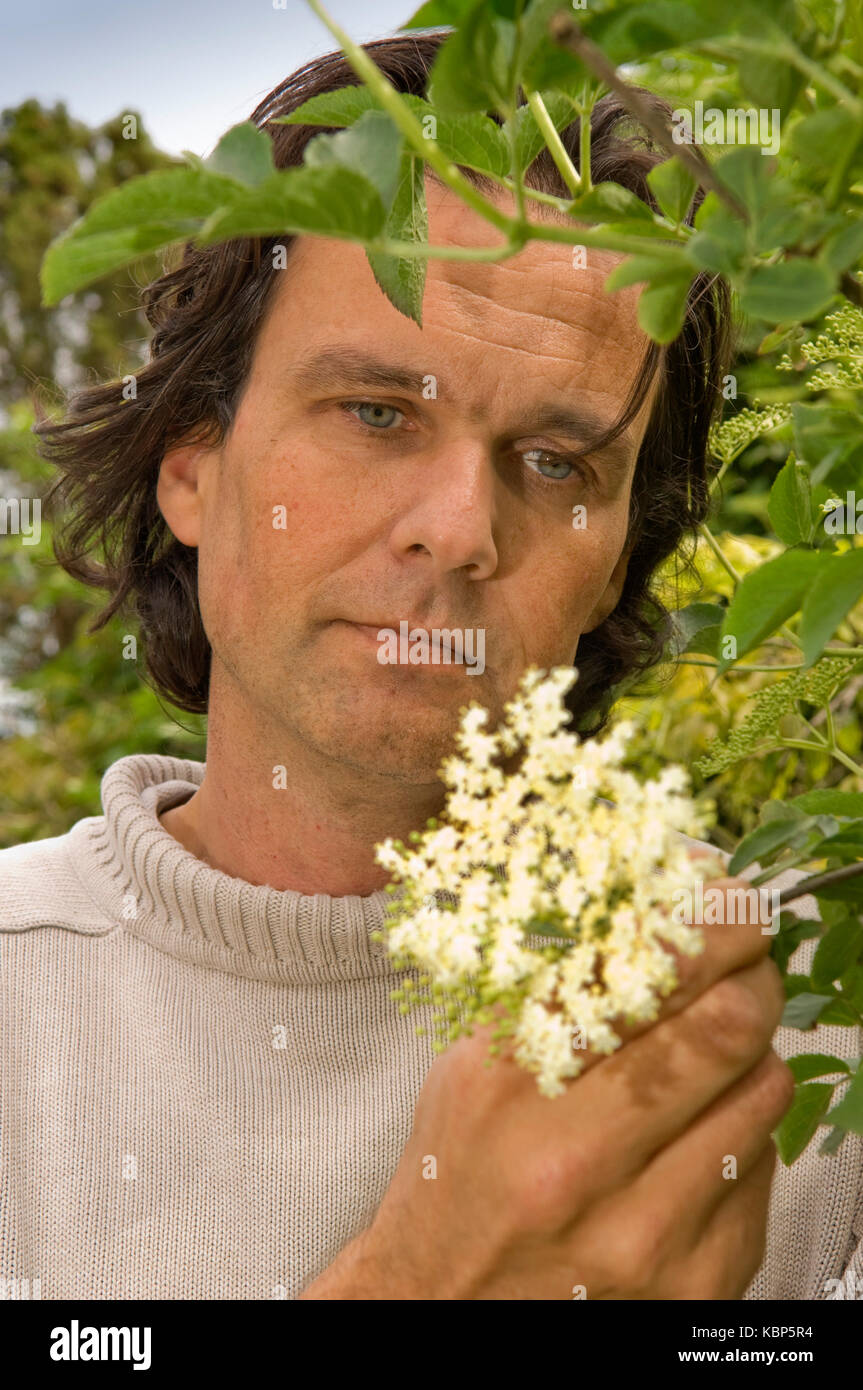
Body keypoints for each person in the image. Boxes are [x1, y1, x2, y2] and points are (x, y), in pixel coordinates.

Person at [1, 31, 859, 1301]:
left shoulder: (797, 1008)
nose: (459, 528)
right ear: (191, 467)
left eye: (557, 462)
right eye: (375, 413)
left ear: (619, 559)